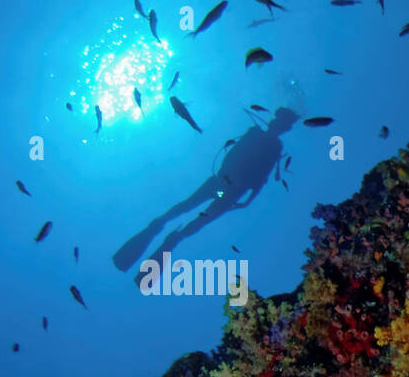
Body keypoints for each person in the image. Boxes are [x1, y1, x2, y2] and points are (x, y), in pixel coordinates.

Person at [113, 107, 298, 272]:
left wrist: (246, 200)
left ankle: (166, 232)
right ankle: (168, 233)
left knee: (193, 210)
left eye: (280, 122)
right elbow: (257, 176)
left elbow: (259, 176)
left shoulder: (267, 141)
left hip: (225, 188)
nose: (275, 123)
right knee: (194, 211)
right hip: (226, 188)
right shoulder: (263, 139)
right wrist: (246, 200)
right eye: (277, 120)